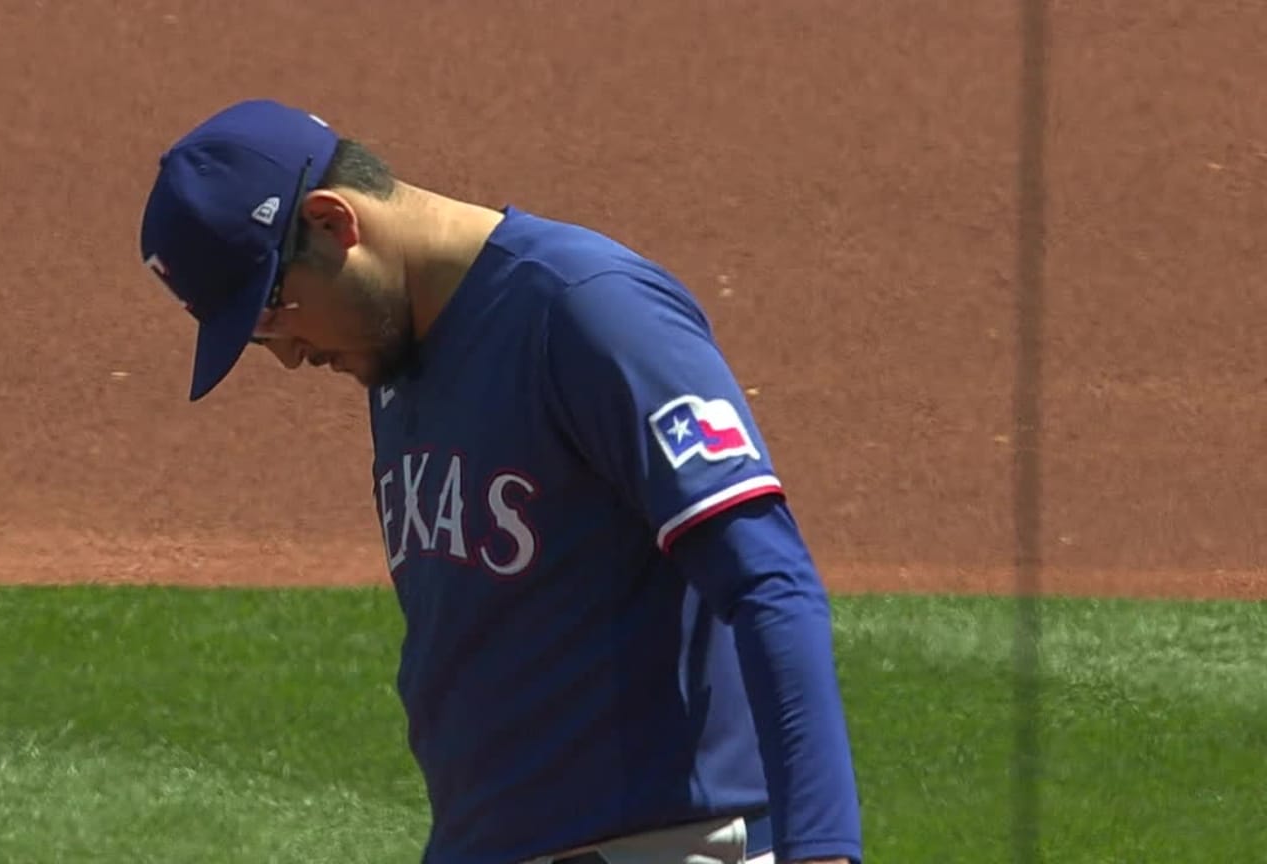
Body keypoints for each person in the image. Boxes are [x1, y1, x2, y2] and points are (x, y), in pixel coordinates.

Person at [137, 98, 862, 864]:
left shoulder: (586, 311)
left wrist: (822, 847)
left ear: (334, 224)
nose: (286, 354)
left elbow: (767, 582)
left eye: (275, 310)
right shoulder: (398, 354)